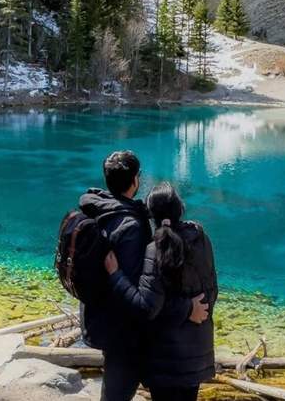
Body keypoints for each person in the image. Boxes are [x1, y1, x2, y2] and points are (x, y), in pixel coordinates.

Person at [79, 152, 209, 401]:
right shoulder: (132, 226)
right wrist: (186, 309)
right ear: (135, 180)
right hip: (124, 333)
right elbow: (144, 302)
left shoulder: (96, 208)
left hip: (98, 319)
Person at [104, 183, 218, 401]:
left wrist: (116, 276)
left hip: (165, 361)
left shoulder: (154, 249)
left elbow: (147, 308)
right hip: (197, 355)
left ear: (152, 215)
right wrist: (192, 310)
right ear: (180, 209)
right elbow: (212, 290)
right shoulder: (201, 237)